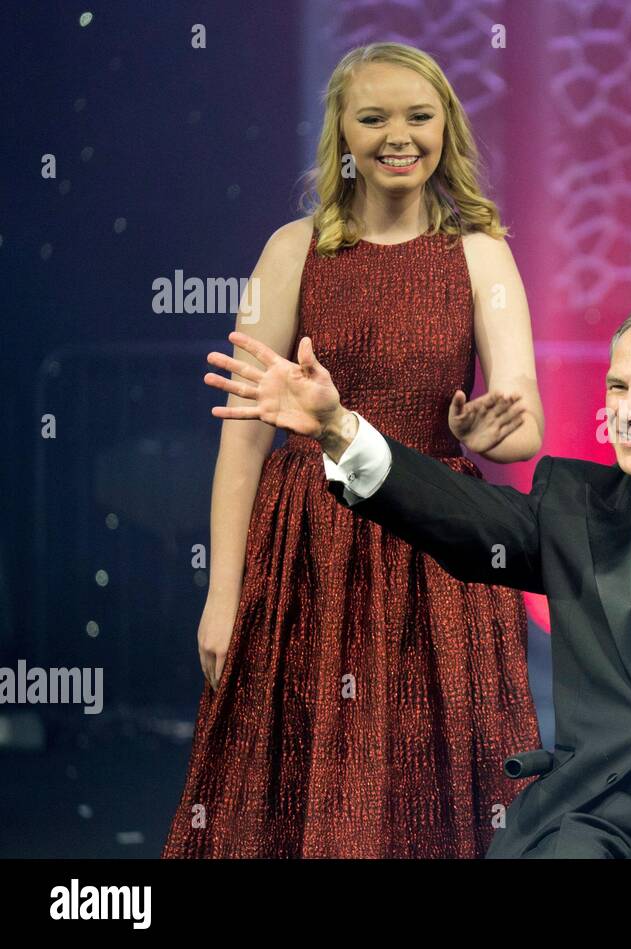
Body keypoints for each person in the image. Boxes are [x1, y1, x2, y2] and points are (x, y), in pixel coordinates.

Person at [200, 300, 631, 859]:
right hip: (590, 808)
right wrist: (340, 432)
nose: (628, 409)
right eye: (618, 387)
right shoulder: (574, 504)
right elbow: (463, 517)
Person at [164, 42, 545, 858]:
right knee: (297, 779)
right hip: (306, 548)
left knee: (427, 784)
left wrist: (487, 429)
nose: (397, 136)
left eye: (418, 115)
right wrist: (222, 593)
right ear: (342, 133)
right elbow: (242, 441)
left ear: (447, 126)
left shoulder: (480, 252)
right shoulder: (291, 250)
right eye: (373, 117)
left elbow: (528, 423)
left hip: (435, 548)